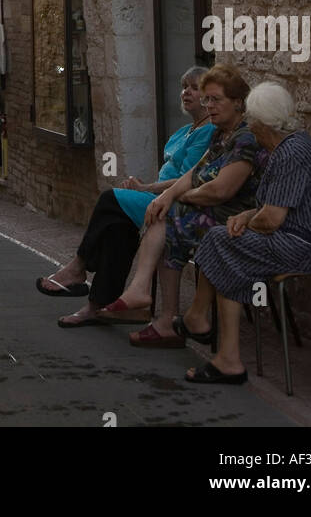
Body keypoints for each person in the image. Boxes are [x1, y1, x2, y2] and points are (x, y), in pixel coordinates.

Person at [86, 65, 267, 345]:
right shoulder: (221, 134)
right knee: (163, 212)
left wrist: (175, 198)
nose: (210, 106)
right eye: (207, 99)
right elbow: (193, 174)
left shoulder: (245, 138)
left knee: (166, 216)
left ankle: (153, 304)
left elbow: (221, 191)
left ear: (238, 103)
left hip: (236, 218)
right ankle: (154, 306)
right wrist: (165, 196)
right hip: (210, 212)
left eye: (215, 99)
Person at [182, 81, 311, 384]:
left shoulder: (292, 153)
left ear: (262, 123)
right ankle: (220, 348)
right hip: (297, 241)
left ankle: (211, 336)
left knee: (221, 240)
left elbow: (270, 219)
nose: (249, 126)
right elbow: (269, 209)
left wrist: (246, 222)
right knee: (224, 245)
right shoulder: (287, 148)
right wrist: (245, 215)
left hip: (309, 249)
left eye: (251, 119)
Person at [35, 67, 215, 323]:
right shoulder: (183, 131)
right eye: (184, 86)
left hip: (176, 203)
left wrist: (145, 189)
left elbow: (188, 180)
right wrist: (147, 187)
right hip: (158, 197)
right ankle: (98, 305)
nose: (186, 92)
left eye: (194, 88)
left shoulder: (207, 132)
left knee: (109, 200)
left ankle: (77, 269)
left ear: (209, 97)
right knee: (117, 231)